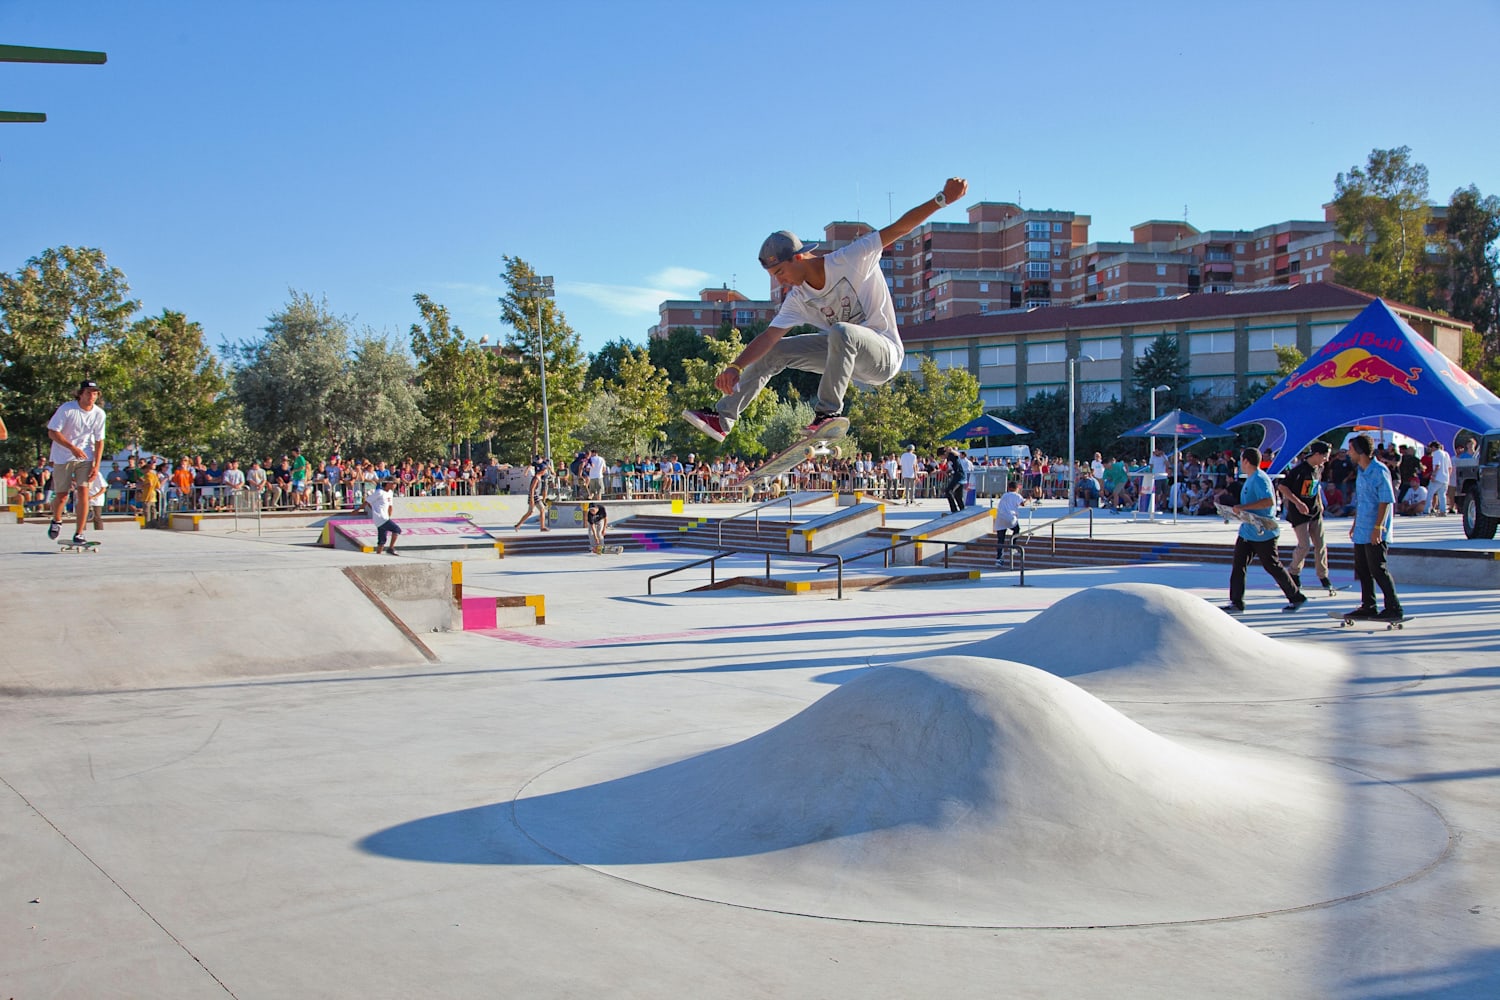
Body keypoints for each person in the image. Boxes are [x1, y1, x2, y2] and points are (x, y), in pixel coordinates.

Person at [682, 177, 969, 442]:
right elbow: (768, 337)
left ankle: (827, 414)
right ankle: (723, 418)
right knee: (777, 350)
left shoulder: (851, 258)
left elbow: (900, 228)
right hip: (843, 357)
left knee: (842, 332)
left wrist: (941, 199)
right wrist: (735, 366)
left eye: (781, 271)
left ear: (799, 257)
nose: (780, 281)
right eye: (773, 276)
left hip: (884, 354)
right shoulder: (798, 299)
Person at [1223, 447, 1305, 614]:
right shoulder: (1251, 478)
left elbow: (1268, 501)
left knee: (1272, 566)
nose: (1240, 462)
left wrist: (1243, 507)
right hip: (1248, 531)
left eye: (1241, 459)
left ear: (1246, 461)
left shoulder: (1260, 479)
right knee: (1239, 565)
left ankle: (1296, 597)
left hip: (1263, 532)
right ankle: (1236, 602)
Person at [1346, 433, 1403, 621]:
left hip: (1375, 528)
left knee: (1377, 568)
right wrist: (1355, 524)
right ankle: (1368, 605)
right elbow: (1362, 501)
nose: (1349, 453)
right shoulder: (1361, 471)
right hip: (1362, 527)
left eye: (1351, 449)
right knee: (1362, 568)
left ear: (1360, 452)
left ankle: (1393, 607)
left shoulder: (1379, 470)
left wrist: (1378, 527)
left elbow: (1386, 500)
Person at [45, 379, 107, 546]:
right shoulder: (67, 409)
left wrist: (97, 465)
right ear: (80, 394)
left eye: (94, 393)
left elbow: (100, 440)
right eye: (88, 393)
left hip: (85, 457)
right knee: (62, 495)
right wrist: (71, 447)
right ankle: (57, 520)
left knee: (83, 493)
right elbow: (52, 432)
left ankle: (79, 533)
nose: (91, 397)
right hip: (63, 456)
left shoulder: (99, 414)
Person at [1275, 440, 1333, 594]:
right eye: (1325, 456)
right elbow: (1282, 486)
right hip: (1299, 513)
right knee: (1304, 545)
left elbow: (1316, 487)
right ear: (1316, 454)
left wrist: (1320, 503)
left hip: (1315, 511)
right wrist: (1298, 502)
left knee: (1320, 544)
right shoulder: (1299, 470)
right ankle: (1294, 572)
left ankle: (1323, 576)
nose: (1326, 459)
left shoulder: (1319, 468)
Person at [363, 478, 401, 555]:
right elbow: (367, 501)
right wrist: (357, 510)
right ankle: (390, 548)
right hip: (380, 517)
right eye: (393, 484)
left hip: (385, 518)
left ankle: (378, 555)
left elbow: (390, 506)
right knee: (397, 530)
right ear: (388, 484)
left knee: (382, 540)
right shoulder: (379, 492)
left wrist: (389, 516)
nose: (395, 486)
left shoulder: (390, 492)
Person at [513, 459, 552, 532]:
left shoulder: (539, 477)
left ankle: (518, 525)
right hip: (534, 496)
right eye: (545, 470)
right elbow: (532, 489)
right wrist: (531, 499)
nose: (545, 472)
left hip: (535, 496)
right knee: (542, 509)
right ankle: (542, 527)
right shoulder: (536, 478)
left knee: (530, 512)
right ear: (542, 470)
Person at [995, 480, 1025, 565]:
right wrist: (1029, 500)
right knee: (1017, 529)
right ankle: (1013, 545)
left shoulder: (1004, 495)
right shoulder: (1017, 495)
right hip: (1010, 517)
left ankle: (999, 559)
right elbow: (1023, 504)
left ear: (1008, 488)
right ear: (1017, 489)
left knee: (1000, 539)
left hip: (1000, 518)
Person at [1426, 440, 1451, 516]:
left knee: (1430, 493)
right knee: (1442, 495)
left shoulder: (1436, 453)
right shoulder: (1446, 454)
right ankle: (1443, 511)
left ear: (1433, 447)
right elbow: (1450, 467)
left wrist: (1433, 475)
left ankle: (1427, 509)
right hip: (1445, 478)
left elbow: (1437, 465)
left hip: (1438, 477)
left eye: (1431, 448)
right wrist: (1448, 476)